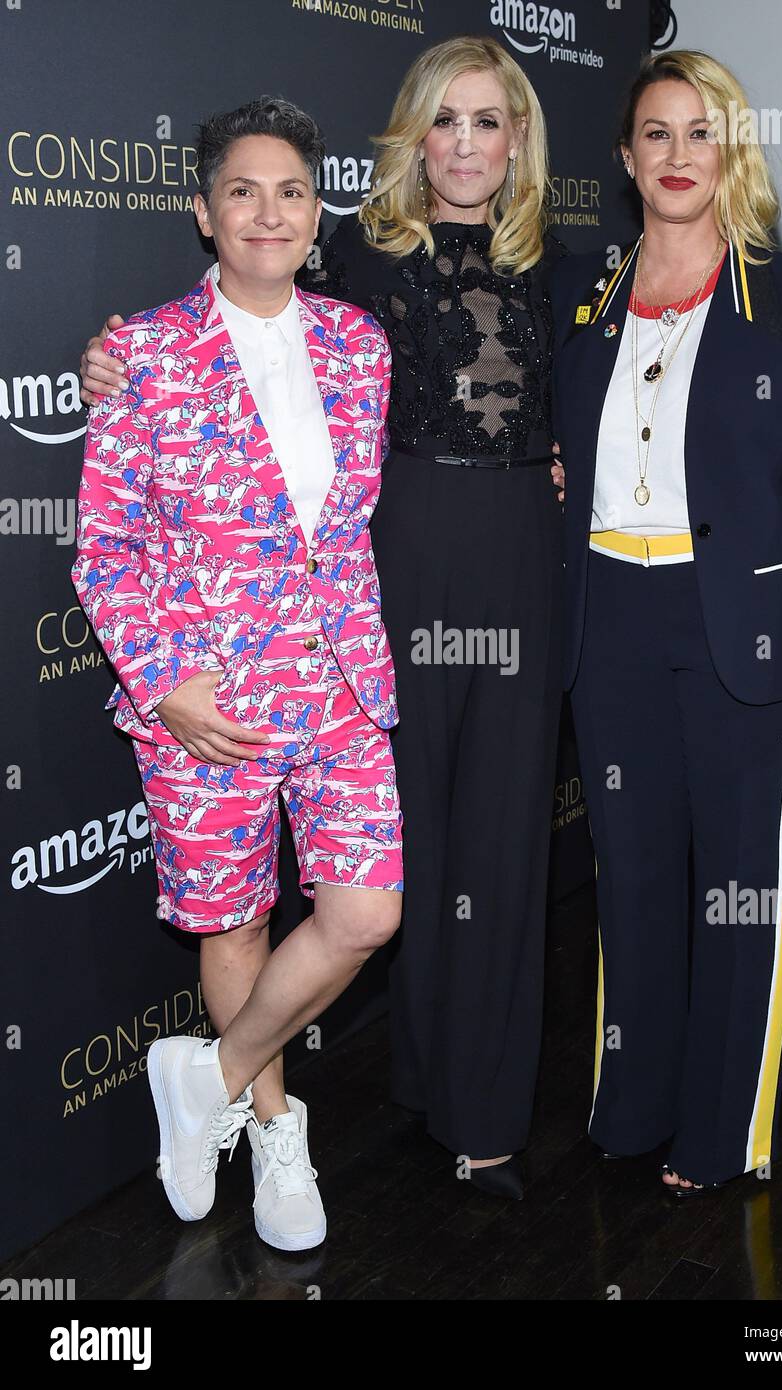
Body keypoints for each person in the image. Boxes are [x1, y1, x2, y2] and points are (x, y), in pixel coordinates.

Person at [78, 40, 782, 1204]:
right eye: (445, 119)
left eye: (489, 121)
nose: (466, 143)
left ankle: (487, 1119)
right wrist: (112, 361)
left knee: (502, 844)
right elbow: (247, 318)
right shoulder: (348, 257)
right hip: (389, 576)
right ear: (414, 135)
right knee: (411, 853)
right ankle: (422, 1083)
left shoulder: (573, 272)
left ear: (520, 139)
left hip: (528, 572)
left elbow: (689, 385)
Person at [71, 97, 403, 1251]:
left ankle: (203, 1078)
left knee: (364, 912)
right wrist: (164, 682)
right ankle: (270, 1129)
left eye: (293, 191)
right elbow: (104, 549)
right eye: (244, 192)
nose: (271, 212)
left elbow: (350, 527)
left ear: (318, 211)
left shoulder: (360, 345)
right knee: (237, 925)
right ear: (204, 212)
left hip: (338, 682)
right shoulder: (143, 354)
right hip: (205, 702)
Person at [549, 50, 782, 1196]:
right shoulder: (578, 290)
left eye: (701, 132)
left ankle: (723, 1131)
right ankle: (633, 1103)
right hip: (610, 621)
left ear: (730, 151)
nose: (678, 155)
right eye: (657, 133)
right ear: (627, 157)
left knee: (740, 892)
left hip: (744, 631)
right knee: (632, 878)